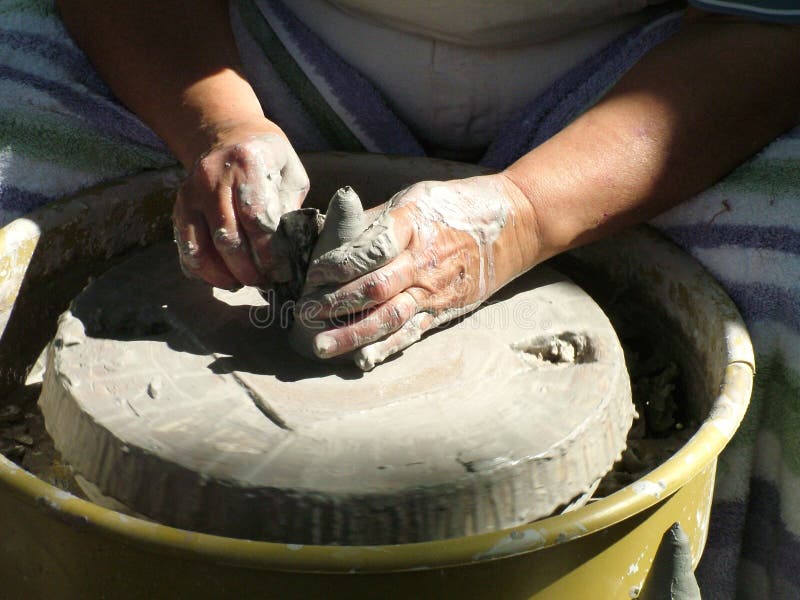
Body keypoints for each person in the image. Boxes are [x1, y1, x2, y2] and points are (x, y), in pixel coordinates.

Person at [2, 0, 799, 596]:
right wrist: (216, 126)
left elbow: (772, 27)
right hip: (256, 36)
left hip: (658, 62)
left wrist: (522, 215)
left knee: (782, 314)